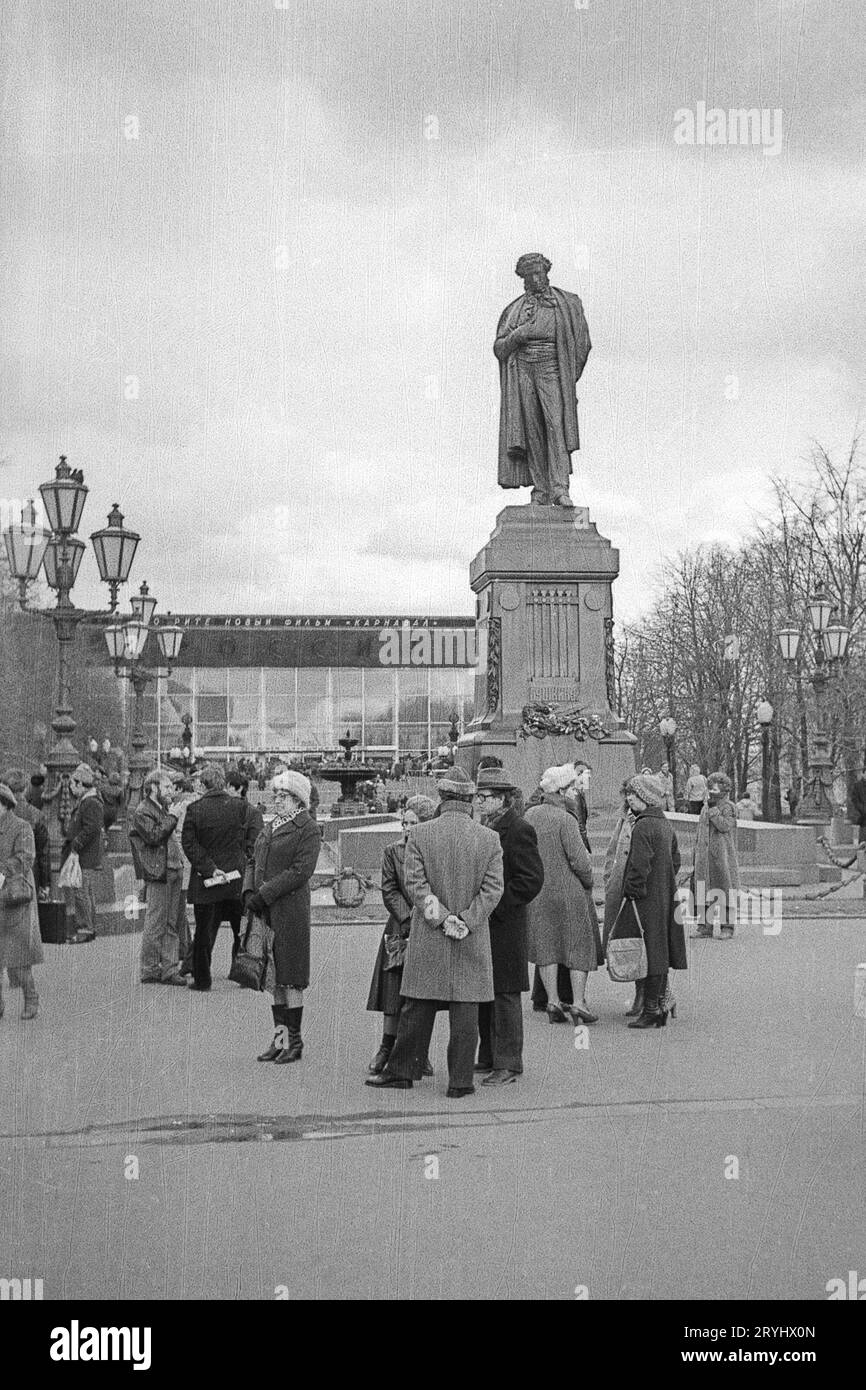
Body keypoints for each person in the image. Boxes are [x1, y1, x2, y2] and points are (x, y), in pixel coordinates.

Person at [366, 766, 504, 1098]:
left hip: (430, 933)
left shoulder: (421, 835)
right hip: (470, 935)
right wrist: (466, 921)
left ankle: (402, 1071)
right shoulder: (489, 838)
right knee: (465, 1009)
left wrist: (441, 919)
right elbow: (492, 889)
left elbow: (415, 886)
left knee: (418, 1004)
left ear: (441, 797)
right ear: (469, 799)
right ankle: (459, 1081)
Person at [494, 252, 591, 507]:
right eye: (529, 276)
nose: (535, 279)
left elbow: (583, 344)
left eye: (539, 273)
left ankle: (560, 490)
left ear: (547, 272)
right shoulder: (513, 311)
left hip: (552, 370)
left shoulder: (567, 303)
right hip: (523, 370)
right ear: (523, 280)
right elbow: (499, 348)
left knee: (554, 427)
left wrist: (568, 377)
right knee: (533, 431)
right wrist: (517, 337)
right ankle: (540, 490)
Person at [473, 766, 544, 1085]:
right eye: (477, 796)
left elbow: (531, 880)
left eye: (484, 797)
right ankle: (488, 1056)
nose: (478, 802)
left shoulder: (518, 829)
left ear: (502, 799)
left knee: (505, 995)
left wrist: (497, 904)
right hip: (488, 924)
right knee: (486, 992)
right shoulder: (485, 826)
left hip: (506, 924)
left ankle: (509, 1062)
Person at [246, 771, 322, 1064]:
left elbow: (301, 871)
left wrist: (264, 893)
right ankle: (279, 1041)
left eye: (283, 796)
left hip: (289, 911)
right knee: (274, 979)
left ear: (298, 799)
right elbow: (253, 861)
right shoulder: (271, 826)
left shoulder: (308, 829)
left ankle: (296, 1042)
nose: (276, 800)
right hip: (267, 910)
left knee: (291, 979)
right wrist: (248, 891)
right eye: (275, 795)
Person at [365, 795, 437, 1074]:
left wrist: (425, 917)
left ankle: (420, 1051)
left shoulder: (433, 851)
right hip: (400, 926)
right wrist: (407, 917)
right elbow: (389, 889)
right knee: (392, 992)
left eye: (413, 823)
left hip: (428, 925)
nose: (406, 828)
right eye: (404, 822)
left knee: (423, 995)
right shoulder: (392, 851)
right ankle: (386, 1048)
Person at [524, 763, 601, 1024]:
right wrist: (589, 882)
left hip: (539, 891)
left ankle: (553, 1001)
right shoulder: (566, 820)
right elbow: (580, 861)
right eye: (572, 787)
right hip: (569, 892)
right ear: (563, 790)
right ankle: (578, 1003)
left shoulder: (531, 815)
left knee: (547, 947)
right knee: (578, 946)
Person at [609, 773, 686, 1028]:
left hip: (644, 899)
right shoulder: (664, 824)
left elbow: (639, 865)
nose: (629, 798)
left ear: (646, 797)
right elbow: (676, 860)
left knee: (648, 949)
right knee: (659, 949)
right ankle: (659, 1006)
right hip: (664, 895)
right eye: (629, 793)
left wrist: (631, 890)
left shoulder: (642, 825)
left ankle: (651, 1009)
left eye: (634, 794)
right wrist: (663, 880)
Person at [181, 763, 256, 991]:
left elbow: (189, 844)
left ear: (204, 785)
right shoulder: (240, 807)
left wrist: (210, 867)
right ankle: (244, 974)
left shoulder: (195, 809)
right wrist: (240, 861)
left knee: (204, 931)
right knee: (240, 928)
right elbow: (250, 838)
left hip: (208, 880)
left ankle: (203, 980)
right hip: (236, 877)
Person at [129, 769, 188, 986]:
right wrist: (173, 816)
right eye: (166, 787)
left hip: (173, 868)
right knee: (156, 921)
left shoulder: (161, 808)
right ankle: (150, 968)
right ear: (153, 788)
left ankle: (169, 968)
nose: (171, 791)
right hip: (160, 871)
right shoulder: (143, 811)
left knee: (172, 922)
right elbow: (154, 836)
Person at [0, 781, 42, 1020]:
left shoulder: (21, 827)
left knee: (19, 957)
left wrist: (2, 872)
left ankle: (31, 997)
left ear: (5, 804)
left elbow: (26, 857)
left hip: (16, 896)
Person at [691, 771, 740, 939]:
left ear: (724, 789)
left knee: (725, 890)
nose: (712, 791)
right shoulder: (706, 806)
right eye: (710, 787)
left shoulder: (728, 807)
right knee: (704, 891)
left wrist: (713, 810)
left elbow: (725, 826)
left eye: (716, 788)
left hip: (721, 857)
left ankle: (727, 926)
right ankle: (705, 926)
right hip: (704, 857)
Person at [60, 762, 105, 944]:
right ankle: (89, 927)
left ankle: (85, 928)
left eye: (72, 784)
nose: (71, 788)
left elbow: (91, 828)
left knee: (80, 892)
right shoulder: (88, 801)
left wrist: (76, 844)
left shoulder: (90, 802)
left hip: (85, 854)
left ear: (80, 784)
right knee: (85, 891)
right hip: (87, 853)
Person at [3, 768, 51, 897]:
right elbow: (43, 853)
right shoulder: (37, 815)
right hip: (27, 877)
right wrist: (45, 883)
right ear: (25, 789)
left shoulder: (4, 813)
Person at [850, 770, 866, 843]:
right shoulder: (857, 785)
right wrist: (863, 809)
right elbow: (854, 800)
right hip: (861, 816)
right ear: (863, 774)